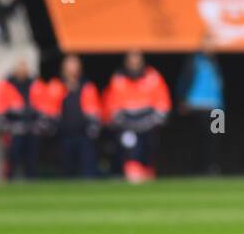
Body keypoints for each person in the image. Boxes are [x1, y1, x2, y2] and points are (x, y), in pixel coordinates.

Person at [104, 51, 171, 182]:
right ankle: (132, 175)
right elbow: (112, 108)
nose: (134, 65)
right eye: (131, 62)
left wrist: (147, 123)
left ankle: (147, 175)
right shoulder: (118, 79)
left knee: (149, 152)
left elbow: (163, 105)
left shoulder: (153, 78)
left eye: (137, 61)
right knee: (129, 147)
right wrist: (129, 124)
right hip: (127, 126)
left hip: (149, 126)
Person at [47, 54, 102, 178]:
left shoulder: (87, 86)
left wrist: (93, 126)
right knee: (66, 171)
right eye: (69, 65)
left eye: (75, 65)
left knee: (88, 171)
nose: (72, 68)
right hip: (63, 135)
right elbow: (50, 109)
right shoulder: (56, 85)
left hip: (84, 135)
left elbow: (94, 109)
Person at [0, 59, 47, 179]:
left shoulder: (35, 85)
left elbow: (43, 109)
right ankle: (9, 182)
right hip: (14, 132)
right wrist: (9, 127)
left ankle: (31, 182)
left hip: (32, 131)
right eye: (19, 67)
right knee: (12, 161)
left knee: (32, 162)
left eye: (24, 67)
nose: (22, 70)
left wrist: (38, 126)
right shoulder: (5, 86)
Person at [176, 39, 224, 176]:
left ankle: (212, 167)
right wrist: (182, 99)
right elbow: (184, 80)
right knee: (198, 137)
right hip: (197, 106)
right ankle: (197, 168)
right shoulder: (194, 61)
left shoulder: (215, 63)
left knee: (216, 136)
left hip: (216, 107)